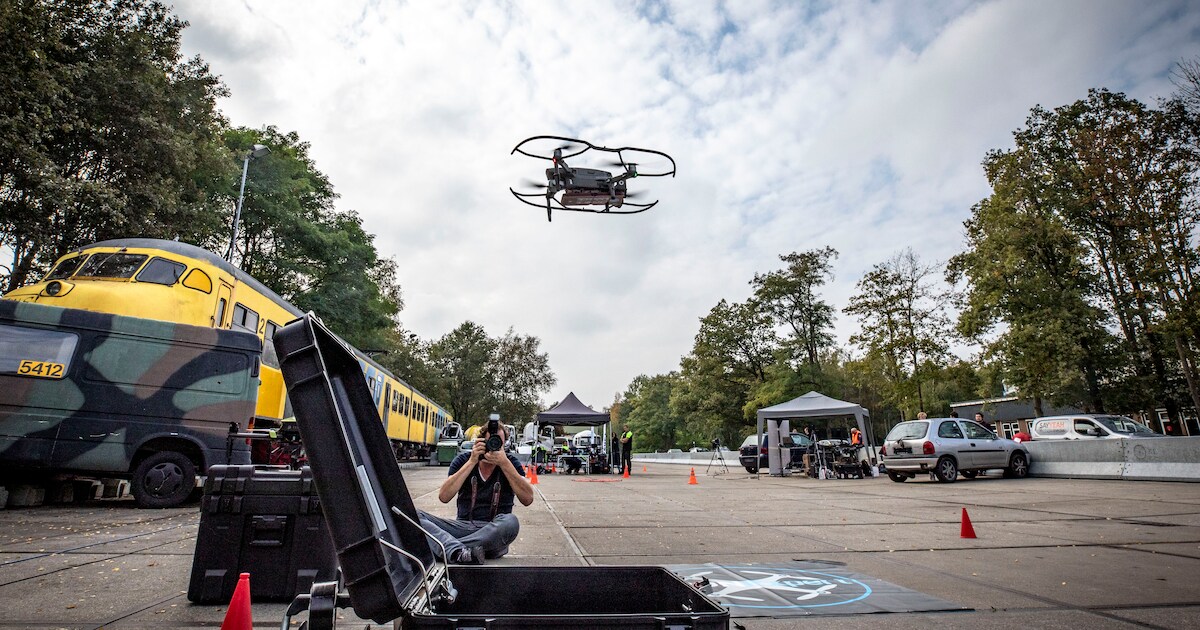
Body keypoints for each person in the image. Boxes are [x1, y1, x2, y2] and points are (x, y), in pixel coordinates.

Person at [419, 422, 533, 565]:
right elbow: (444, 496)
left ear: (504, 445)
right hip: (463, 526)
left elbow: (528, 498)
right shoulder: (464, 460)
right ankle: (460, 551)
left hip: (494, 533)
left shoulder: (510, 463)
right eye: (490, 441)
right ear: (480, 441)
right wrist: (472, 461)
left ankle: (451, 549)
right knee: (413, 514)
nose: (493, 447)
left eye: (498, 443)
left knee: (511, 522)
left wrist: (504, 464)